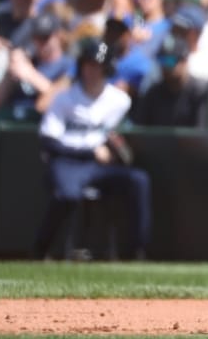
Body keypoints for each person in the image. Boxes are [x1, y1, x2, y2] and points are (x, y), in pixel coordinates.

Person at [33, 38, 151, 260]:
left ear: (108, 68)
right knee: (68, 195)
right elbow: (49, 141)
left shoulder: (120, 101)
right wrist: (89, 152)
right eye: (89, 65)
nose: (93, 71)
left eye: (98, 66)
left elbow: (118, 135)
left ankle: (138, 251)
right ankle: (42, 248)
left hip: (100, 166)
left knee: (139, 180)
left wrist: (116, 148)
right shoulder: (64, 98)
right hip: (67, 162)